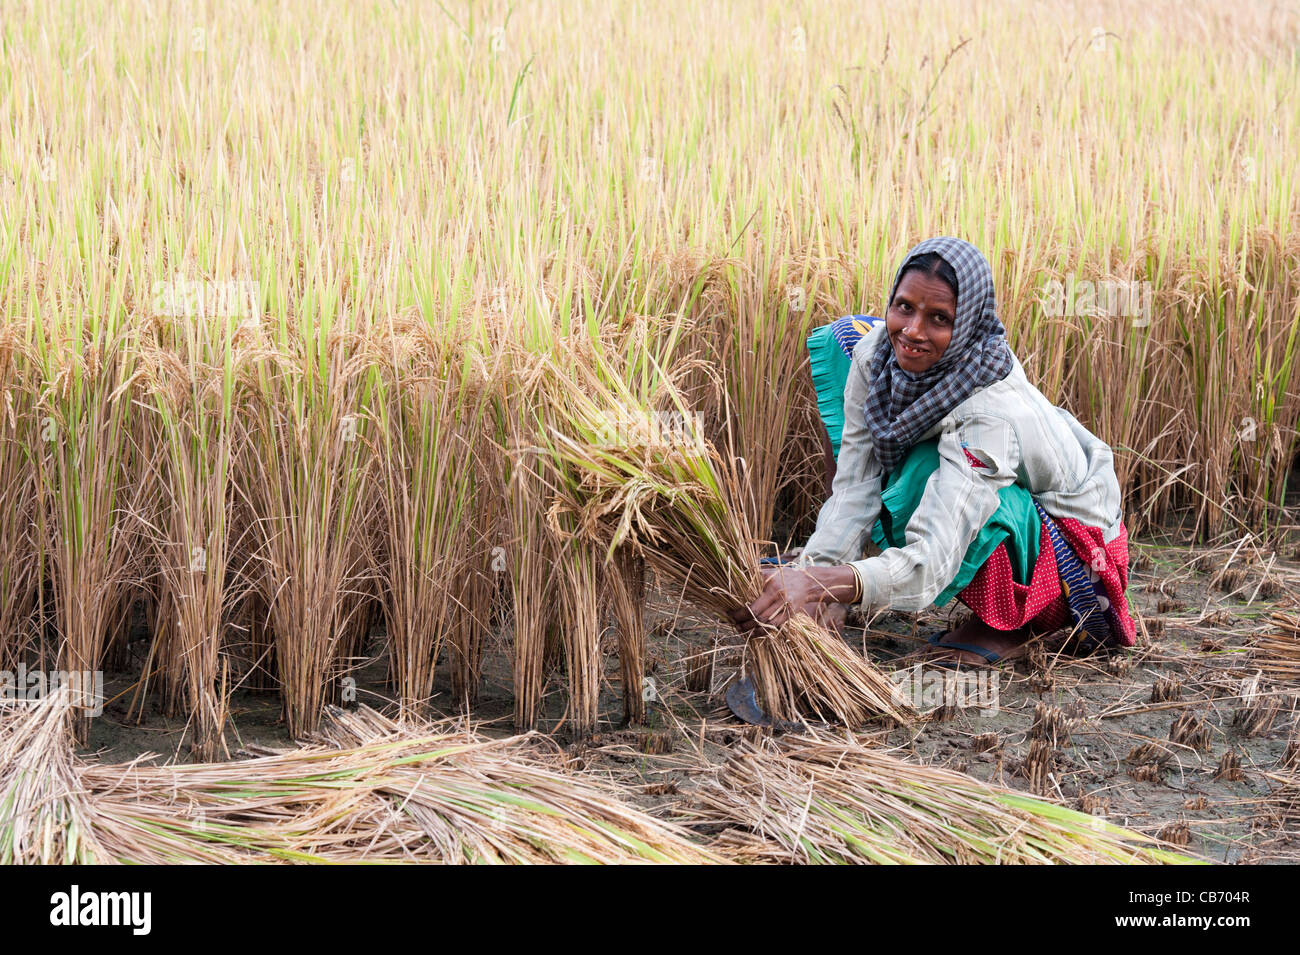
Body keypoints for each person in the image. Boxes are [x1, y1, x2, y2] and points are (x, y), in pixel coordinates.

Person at [734, 236, 1136, 666]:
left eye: (939, 318)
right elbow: (855, 485)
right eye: (905, 306)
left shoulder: (990, 417)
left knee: (920, 472)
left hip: (1071, 558)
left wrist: (819, 584)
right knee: (842, 340)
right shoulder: (879, 357)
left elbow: (932, 559)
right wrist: (813, 570)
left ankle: (1021, 623)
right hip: (1004, 499)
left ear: (966, 327)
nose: (912, 332)